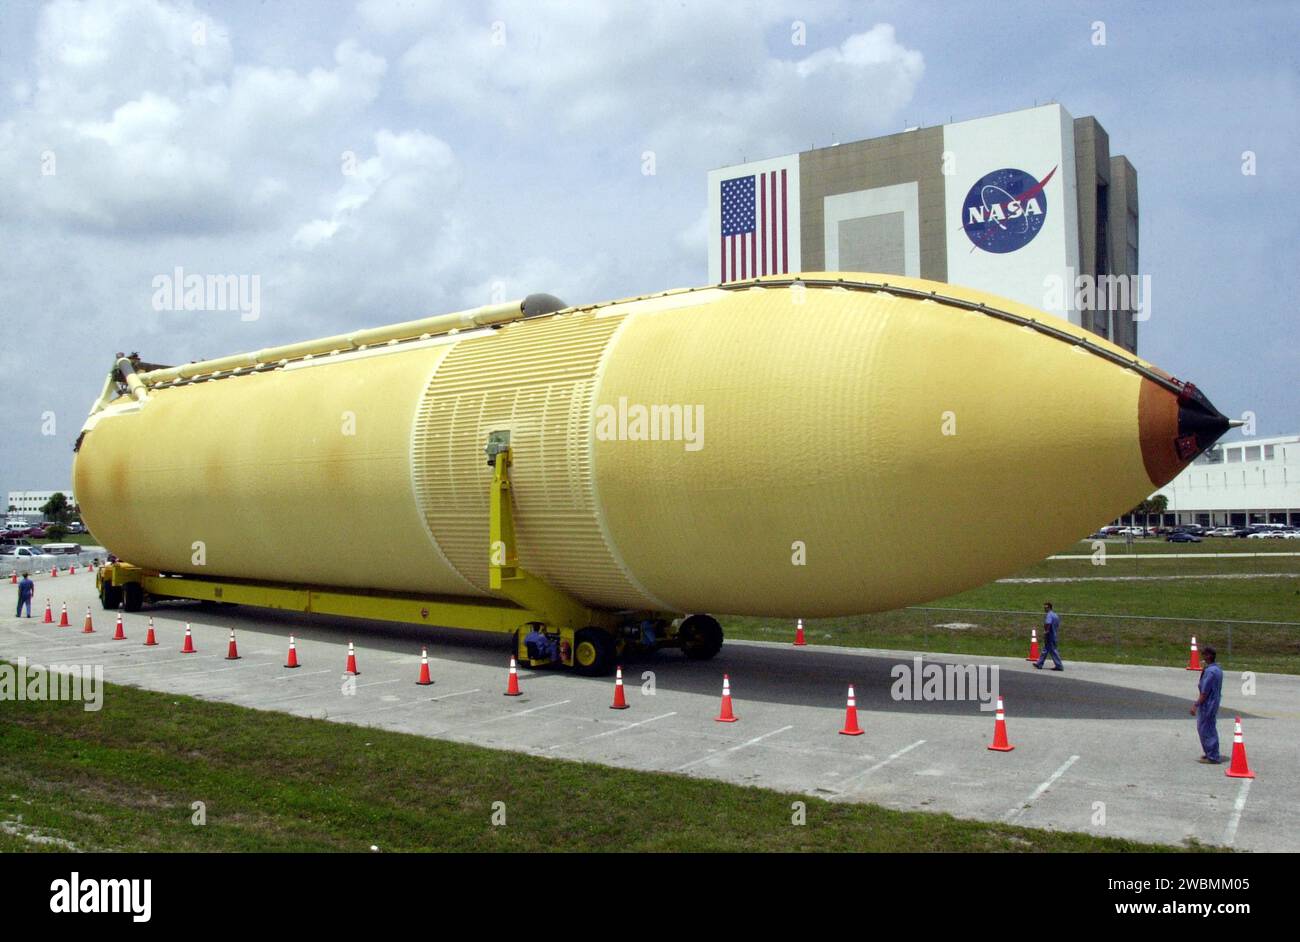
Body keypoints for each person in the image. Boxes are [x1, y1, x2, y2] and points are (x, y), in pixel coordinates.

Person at [1190, 645, 1223, 764]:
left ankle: (1212, 756)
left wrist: (1196, 705)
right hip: (1214, 702)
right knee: (1208, 727)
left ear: (1209, 656)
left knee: (1205, 728)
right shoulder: (1217, 669)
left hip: (1208, 704)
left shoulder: (1210, 672)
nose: (1202, 657)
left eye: (1204, 655)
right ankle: (1210, 752)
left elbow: (1204, 692)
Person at [1033, 601, 1064, 671]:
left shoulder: (1049, 615)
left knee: (1053, 651)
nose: (1044, 609)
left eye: (1046, 607)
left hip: (1050, 636)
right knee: (1045, 650)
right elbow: (1057, 624)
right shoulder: (1055, 615)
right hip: (1054, 635)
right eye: (1044, 607)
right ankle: (1039, 664)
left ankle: (1059, 666)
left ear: (1049, 607)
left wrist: (1046, 631)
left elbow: (1048, 623)